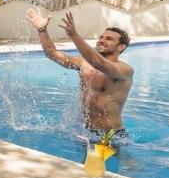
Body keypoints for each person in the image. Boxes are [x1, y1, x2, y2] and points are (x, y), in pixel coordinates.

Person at [26, 8, 134, 146]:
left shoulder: (124, 70)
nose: (102, 40)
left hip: (111, 134)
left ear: (121, 47)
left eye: (109, 39)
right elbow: (52, 53)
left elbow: (99, 63)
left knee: (115, 161)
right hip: (87, 131)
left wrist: (74, 35)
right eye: (101, 37)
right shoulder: (84, 63)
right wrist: (42, 30)